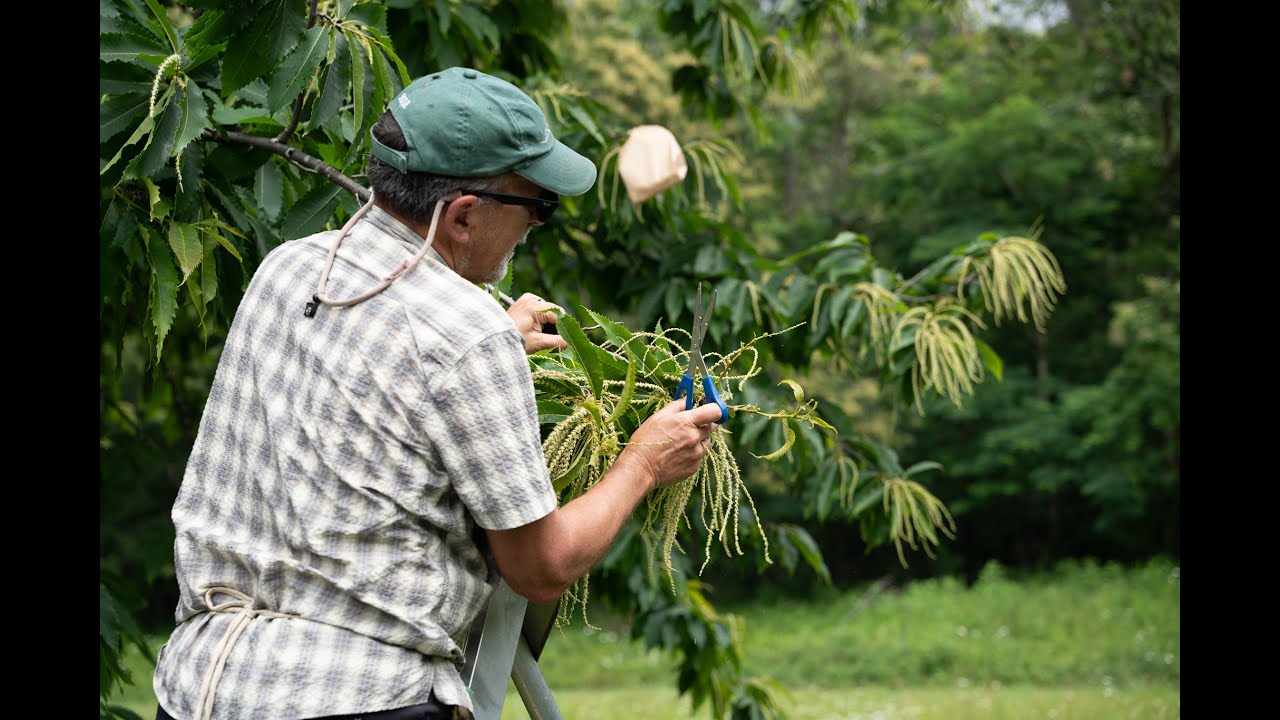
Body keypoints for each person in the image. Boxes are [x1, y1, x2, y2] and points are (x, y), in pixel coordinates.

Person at [151, 66, 724, 720]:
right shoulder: (466, 335)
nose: (537, 224)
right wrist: (645, 461)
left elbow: (359, 385)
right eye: (536, 206)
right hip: (358, 701)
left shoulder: (288, 269)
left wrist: (487, 345)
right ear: (463, 216)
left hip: (197, 688)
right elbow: (539, 566)